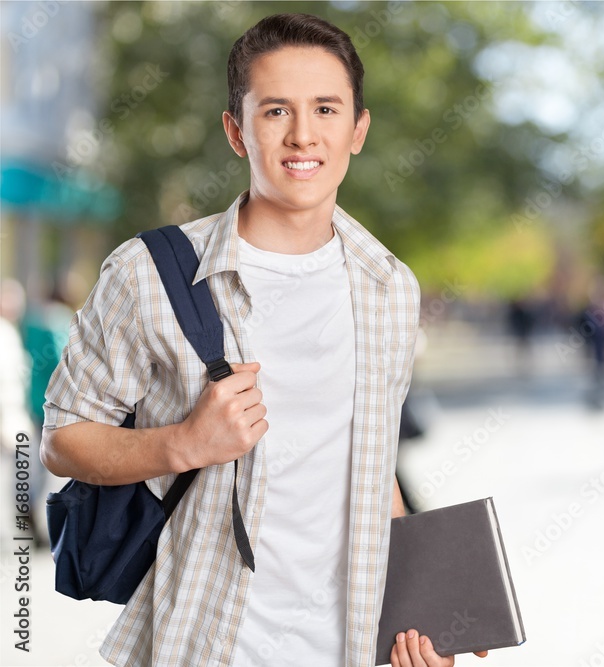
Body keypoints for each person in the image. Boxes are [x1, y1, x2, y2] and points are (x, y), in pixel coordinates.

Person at [41, 14, 485, 667]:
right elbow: (60, 440)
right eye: (276, 110)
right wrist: (183, 443)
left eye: (326, 109)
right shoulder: (146, 274)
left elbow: (371, 468)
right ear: (236, 130)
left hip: (353, 646)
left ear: (357, 130)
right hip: (205, 642)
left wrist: (425, 613)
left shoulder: (390, 287)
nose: (303, 134)